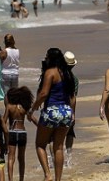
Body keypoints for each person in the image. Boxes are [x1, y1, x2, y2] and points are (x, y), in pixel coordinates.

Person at [28, 48, 75, 181]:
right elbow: (72, 96)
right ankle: (58, 179)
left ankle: (48, 175)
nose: (45, 59)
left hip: (52, 111)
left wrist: (33, 109)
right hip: (66, 111)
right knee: (59, 147)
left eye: (47, 57)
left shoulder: (50, 72)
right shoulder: (67, 73)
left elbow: (43, 94)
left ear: (51, 59)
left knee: (40, 144)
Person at [5, 86, 34, 181]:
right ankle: (21, 179)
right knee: (21, 158)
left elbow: (3, 121)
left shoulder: (9, 107)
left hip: (12, 132)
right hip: (22, 133)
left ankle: (10, 179)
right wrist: (42, 127)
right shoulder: (24, 107)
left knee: (11, 157)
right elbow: (32, 119)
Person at [62, 51, 79, 168]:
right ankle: (68, 157)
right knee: (69, 133)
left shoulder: (56, 75)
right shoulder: (74, 79)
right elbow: (73, 98)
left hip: (56, 107)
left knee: (54, 136)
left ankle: (56, 159)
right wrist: (73, 113)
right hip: (68, 109)